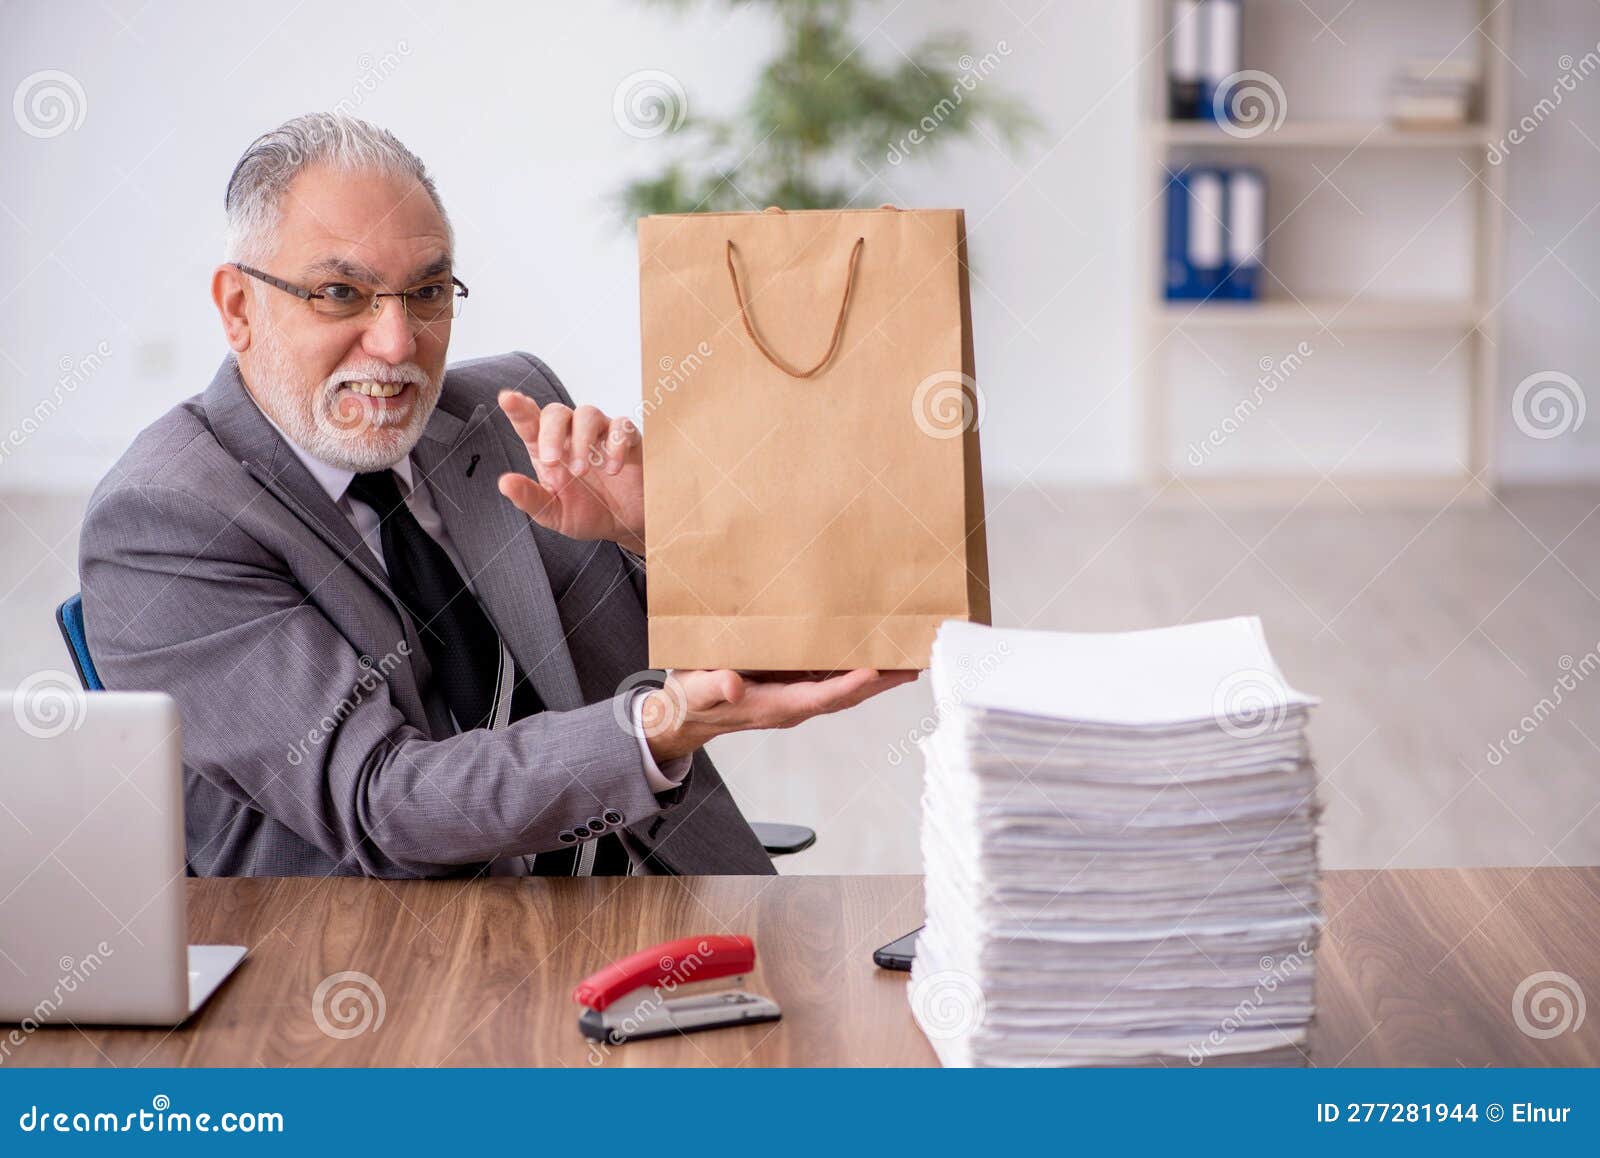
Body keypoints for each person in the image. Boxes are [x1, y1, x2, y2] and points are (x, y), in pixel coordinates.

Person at [78, 113, 914, 878]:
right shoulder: (164, 520)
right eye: (341, 293)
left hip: (662, 897)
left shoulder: (503, 408)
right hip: (374, 964)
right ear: (238, 307)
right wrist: (655, 729)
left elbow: (735, 656)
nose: (398, 341)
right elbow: (384, 802)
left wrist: (657, 536)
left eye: (428, 291)